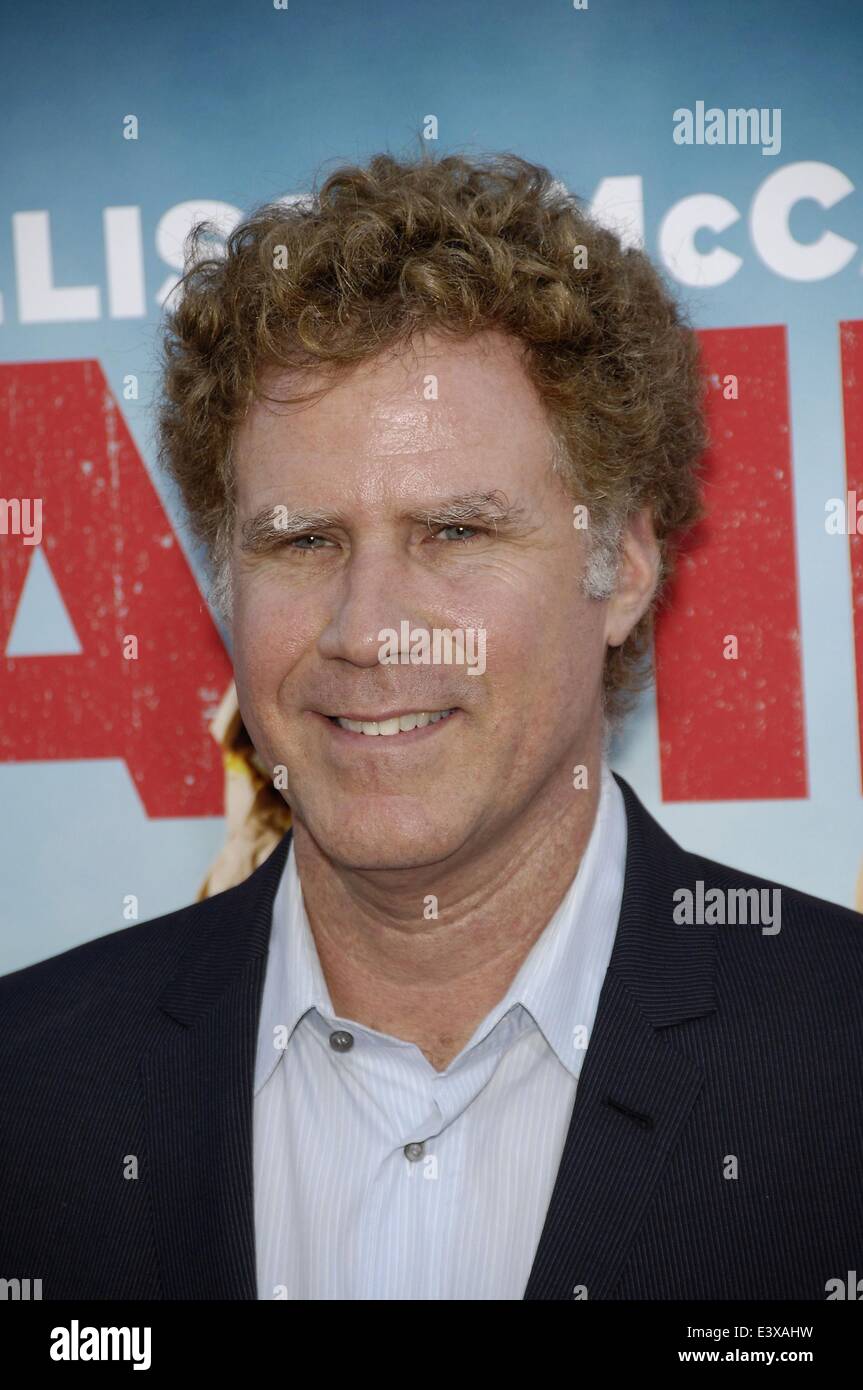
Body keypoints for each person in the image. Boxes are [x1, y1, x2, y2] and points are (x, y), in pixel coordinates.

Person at [2, 150, 861, 1301]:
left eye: (453, 533)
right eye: (302, 541)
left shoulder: (838, 1055)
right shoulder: (30, 1087)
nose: (369, 631)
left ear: (623, 562)